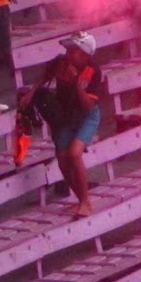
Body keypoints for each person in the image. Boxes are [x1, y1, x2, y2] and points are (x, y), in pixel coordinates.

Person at [20, 32, 104, 219]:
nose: (68, 53)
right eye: (68, 50)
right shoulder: (61, 62)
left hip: (86, 116)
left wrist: (77, 85)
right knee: (63, 160)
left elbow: (88, 106)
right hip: (65, 116)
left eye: (73, 50)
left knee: (74, 154)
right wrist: (31, 94)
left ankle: (85, 202)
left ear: (84, 54)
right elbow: (45, 76)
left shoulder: (93, 70)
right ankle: (81, 199)